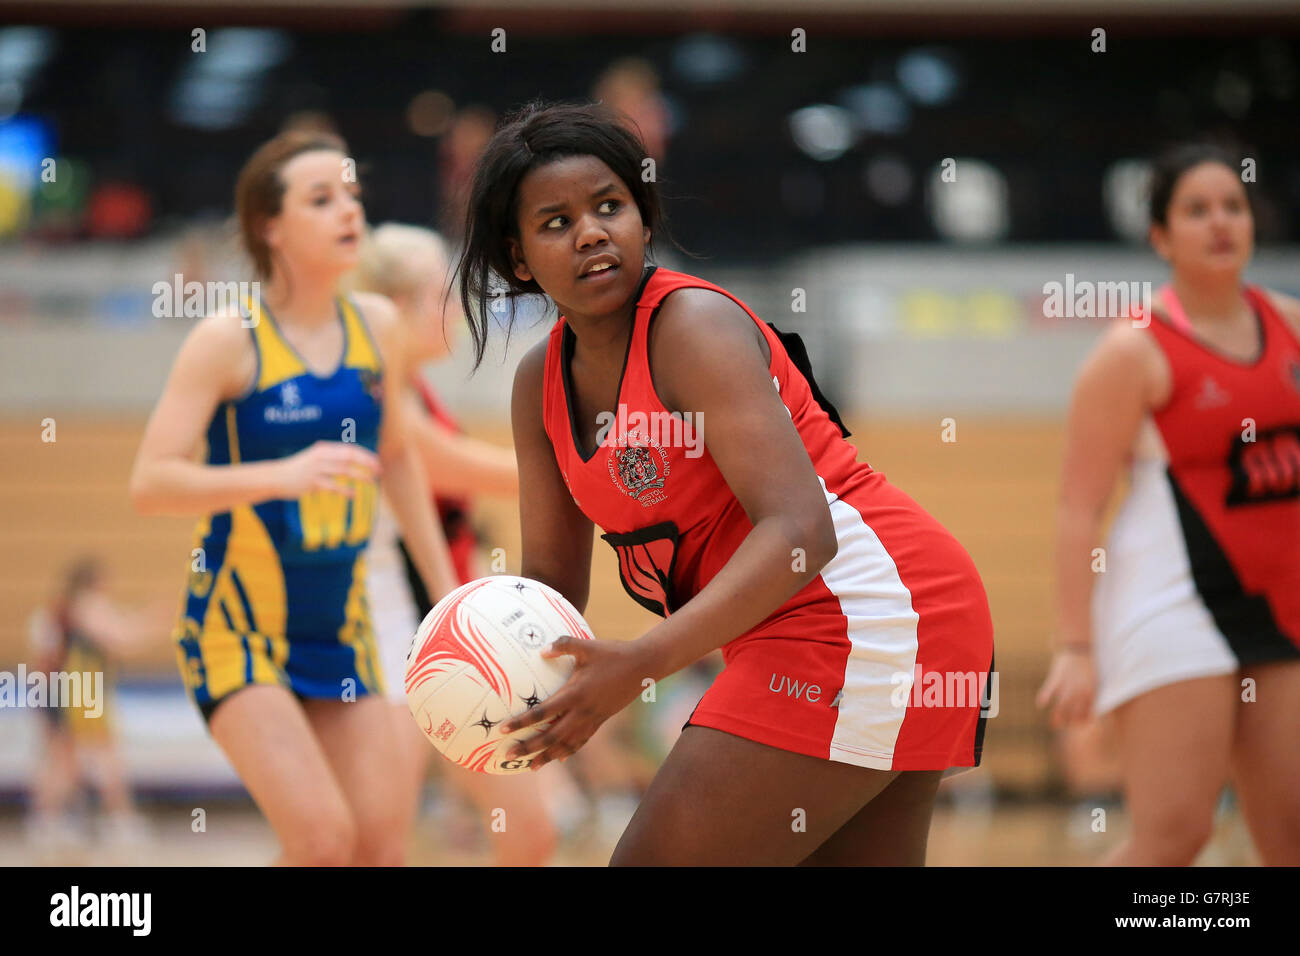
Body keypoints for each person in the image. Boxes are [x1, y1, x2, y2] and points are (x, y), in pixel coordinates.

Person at [453, 101, 996, 866]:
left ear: (642, 217)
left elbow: (803, 531)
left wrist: (638, 664)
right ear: (517, 258)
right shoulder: (538, 380)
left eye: (610, 206)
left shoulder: (691, 327)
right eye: (555, 222)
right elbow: (546, 584)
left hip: (869, 610)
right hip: (816, 629)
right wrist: (479, 677)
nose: (591, 232)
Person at [129, 129, 460, 866]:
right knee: (320, 840)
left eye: (351, 195)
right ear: (269, 227)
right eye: (321, 199)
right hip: (238, 634)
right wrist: (280, 475)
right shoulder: (228, 339)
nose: (348, 212)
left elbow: (399, 460)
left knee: (378, 849)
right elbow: (151, 482)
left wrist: (446, 598)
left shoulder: (378, 326)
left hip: (341, 631)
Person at [1039, 142, 1300, 865]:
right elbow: (1076, 507)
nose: (1220, 222)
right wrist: (1074, 648)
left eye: (1233, 206)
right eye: (1196, 210)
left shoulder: (1291, 326)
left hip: (1279, 607)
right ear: (1160, 237)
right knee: (1174, 837)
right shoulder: (1131, 353)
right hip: (1174, 604)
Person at [353, 222, 565, 866]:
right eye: (441, 296)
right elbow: (454, 466)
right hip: (389, 632)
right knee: (369, 845)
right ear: (396, 307)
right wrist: (585, 467)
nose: (456, 309)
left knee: (530, 832)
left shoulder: (416, 389)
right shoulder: (376, 396)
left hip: (450, 638)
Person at [26, 556, 154, 853]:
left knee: (63, 760)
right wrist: (156, 621)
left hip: (54, 688)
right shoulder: (86, 605)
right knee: (105, 755)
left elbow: (42, 657)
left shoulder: (56, 609)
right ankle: (120, 822)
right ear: (94, 581)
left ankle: (46, 823)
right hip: (80, 686)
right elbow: (122, 638)